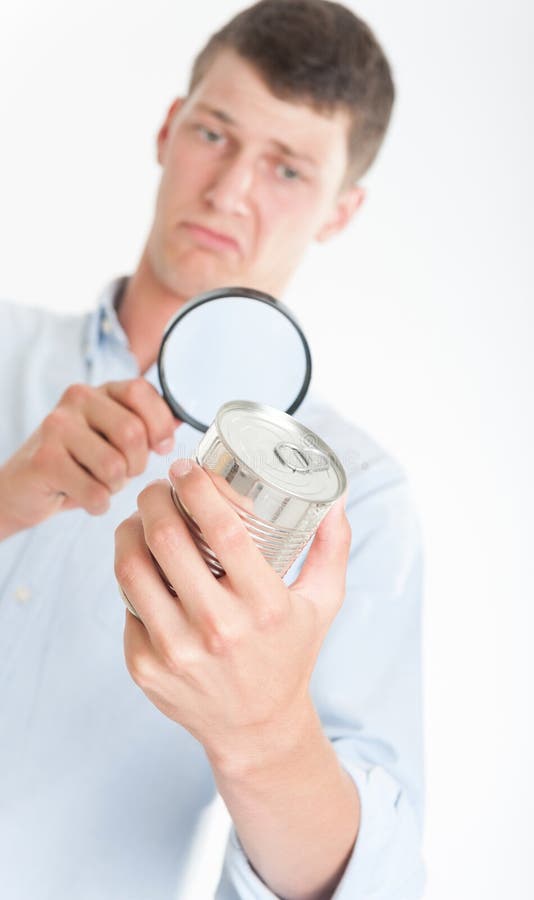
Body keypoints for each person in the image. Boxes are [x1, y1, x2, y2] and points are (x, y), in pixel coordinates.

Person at [0, 2, 424, 897]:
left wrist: (267, 732)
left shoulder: (357, 499)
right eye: (215, 133)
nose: (230, 191)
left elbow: (379, 883)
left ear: (341, 212)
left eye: (287, 168)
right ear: (168, 129)